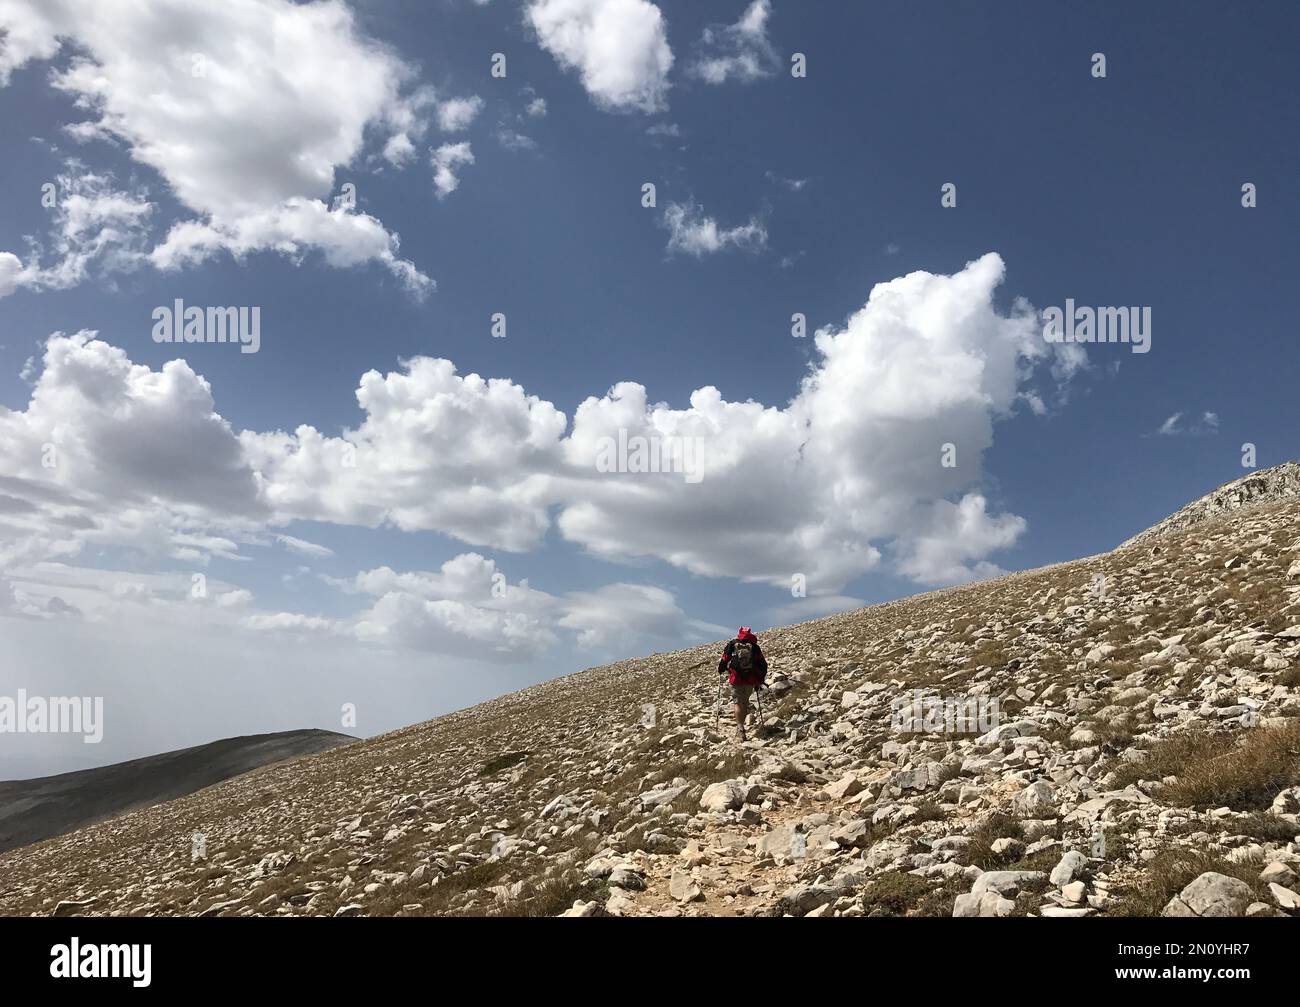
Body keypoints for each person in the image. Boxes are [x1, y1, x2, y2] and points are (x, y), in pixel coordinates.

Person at [717, 626, 768, 741]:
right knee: (745, 703)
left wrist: (721, 669)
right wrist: (760, 680)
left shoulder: (732, 644)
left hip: (736, 678)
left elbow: (725, 658)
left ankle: (740, 728)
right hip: (750, 679)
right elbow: (763, 664)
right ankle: (741, 726)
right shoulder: (754, 647)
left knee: (738, 703)